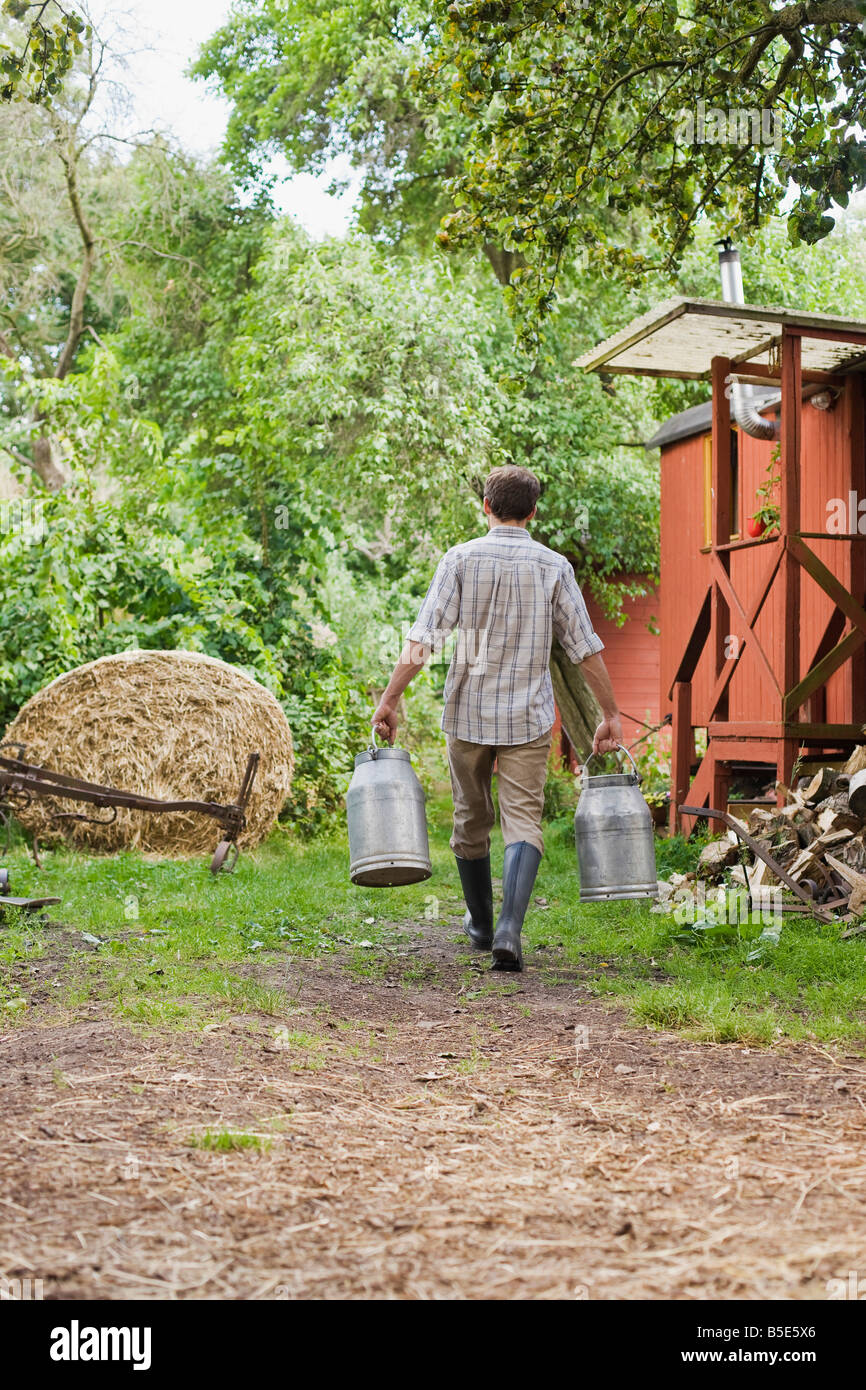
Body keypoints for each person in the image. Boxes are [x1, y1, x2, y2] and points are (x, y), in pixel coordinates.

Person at [371, 465, 623, 972]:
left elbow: (425, 641)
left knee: (470, 817)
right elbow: (584, 649)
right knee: (523, 822)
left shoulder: (460, 559)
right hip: (528, 718)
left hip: (467, 715)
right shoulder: (554, 567)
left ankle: (482, 924)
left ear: (486, 506)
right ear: (533, 512)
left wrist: (390, 699)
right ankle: (510, 927)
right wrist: (610, 713)